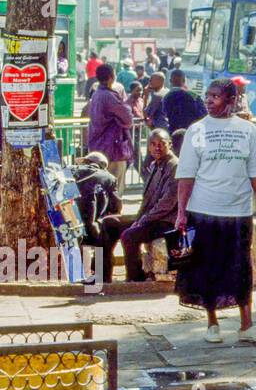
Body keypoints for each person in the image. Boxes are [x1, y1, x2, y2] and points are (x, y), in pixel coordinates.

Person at [174, 78, 256, 344]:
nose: (209, 101)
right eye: (207, 96)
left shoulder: (247, 131)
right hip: (203, 210)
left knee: (242, 268)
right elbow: (186, 176)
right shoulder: (196, 131)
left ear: (231, 100)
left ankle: (247, 325)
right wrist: (181, 211)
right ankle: (212, 324)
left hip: (238, 211)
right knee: (207, 266)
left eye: (215, 96)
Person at [97, 131, 180, 283]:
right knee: (109, 224)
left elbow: (167, 204)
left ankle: (135, 277)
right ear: (148, 147)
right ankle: (102, 275)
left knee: (129, 236)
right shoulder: (155, 165)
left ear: (169, 144)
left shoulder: (174, 166)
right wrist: (140, 218)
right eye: (153, 144)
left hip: (166, 221)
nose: (157, 148)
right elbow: (147, 200)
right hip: (150, 218)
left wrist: (143, 220)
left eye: (161, 143)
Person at [73, 152, 121, 283]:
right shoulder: (109, 178)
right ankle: (101, 276)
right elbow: (116, 206)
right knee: (106, 238)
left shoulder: (73, 171)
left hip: (72, 224)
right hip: (94, 226)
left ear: (87, 162)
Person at [87, 63, 133, 191]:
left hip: (99, 149)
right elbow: (128, 119)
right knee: (114, 190)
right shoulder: (109, 96)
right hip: (112, 150)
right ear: (112, 77)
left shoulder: (96, 94)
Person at [163, 69, 207, 151]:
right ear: (184, 80)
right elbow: (204, 114)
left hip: (174, 135)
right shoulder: (193, 96)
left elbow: (164, 116)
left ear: (170, 81)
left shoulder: (166, 98)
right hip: (193, 134)